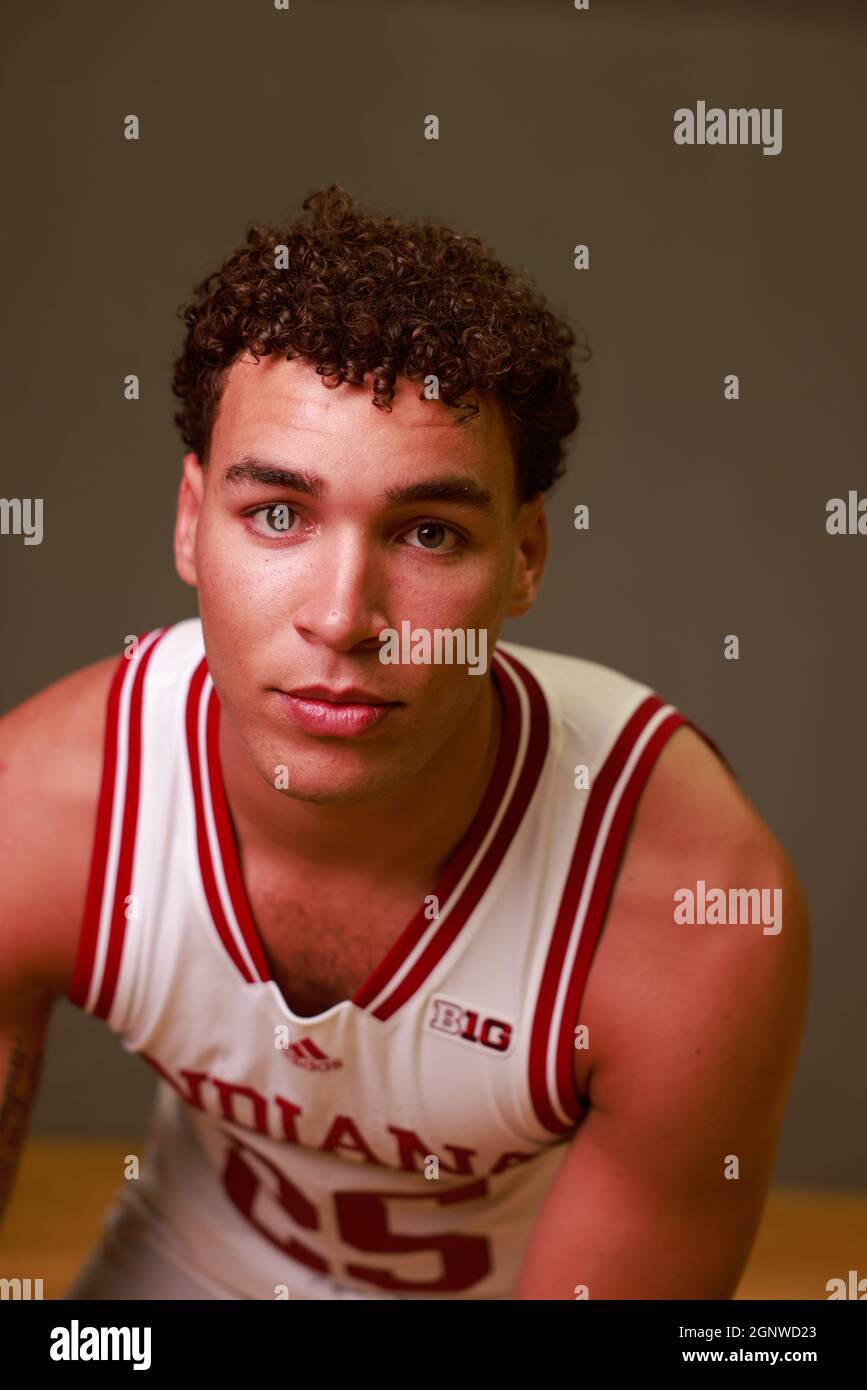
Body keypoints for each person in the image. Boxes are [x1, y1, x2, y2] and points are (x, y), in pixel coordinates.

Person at [0, 186, 809, 1300]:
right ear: (192, 522)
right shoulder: (45, 809)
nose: (343, 616)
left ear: (524, 558)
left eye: (429, 531)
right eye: (278, 513)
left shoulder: (688, 909)